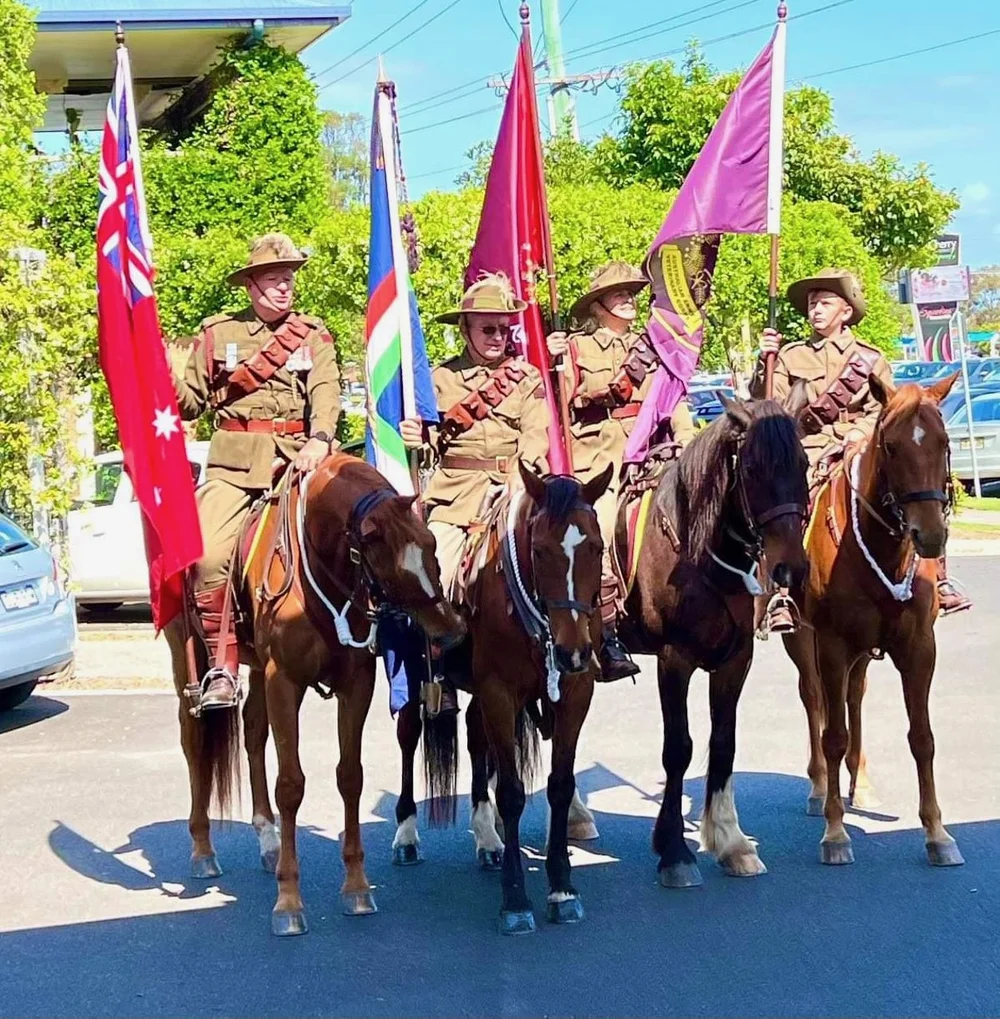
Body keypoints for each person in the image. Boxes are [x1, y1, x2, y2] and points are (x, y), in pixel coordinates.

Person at [173, 233, 343, 709]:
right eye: (274, 279)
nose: (285, 287)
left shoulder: (313, 334)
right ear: (251, 286)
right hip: (235, 466)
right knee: (208, 556)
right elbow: (189, 405)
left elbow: (326, 393)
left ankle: (358, 637)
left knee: (363, 532)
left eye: (289, 278)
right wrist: (164, 374)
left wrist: (320, 438)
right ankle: (223, 666)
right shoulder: (217, 334)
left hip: (299, 460)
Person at [750, 266, 971, 618]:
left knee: (918, 487)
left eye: (825, 303)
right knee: (786, 501)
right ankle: (783, 592)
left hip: (860, 444)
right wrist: (765, 362)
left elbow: (887, 409)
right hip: (809, 448)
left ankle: (938, 578)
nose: (815, 309)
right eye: (812, 304)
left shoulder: (870, 357)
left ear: (846, 311)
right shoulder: (791, 356)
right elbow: (771, 404)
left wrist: (859, 433)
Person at [399, 273, 550, 712]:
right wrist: (416, 436)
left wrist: (521, 475)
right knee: (433, 572)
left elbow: (536, 434)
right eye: (488, 328)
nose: (498, 336)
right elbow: (430, 437)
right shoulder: (438, 380)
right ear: (465, 329)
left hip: (512, 490)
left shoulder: (526, 378)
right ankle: (440, 669)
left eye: (504, 328)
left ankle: (563, 658)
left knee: (559, 560)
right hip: (456, 495)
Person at [547, 261, 696, 682]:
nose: (628, 299)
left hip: (654, 451)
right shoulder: (575, 350)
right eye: (618, 294)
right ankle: (609, 629)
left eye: (631, 293)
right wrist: (552, 363)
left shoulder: (653, 347)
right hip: (601, 458)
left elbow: (673, 396)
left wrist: (687, 439)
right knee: (600, 524)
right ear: (598, 306)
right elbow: (556, 405)